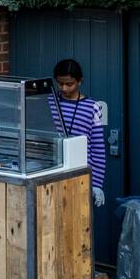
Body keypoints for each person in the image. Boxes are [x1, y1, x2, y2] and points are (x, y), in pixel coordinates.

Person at [50, 59, 106, 208]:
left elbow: (98, 148)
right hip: (52, 170)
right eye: (60, 83)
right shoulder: (49, 102)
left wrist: (97, 184)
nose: (64, 88)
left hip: (81, 174)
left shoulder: (93, 107)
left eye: (69, 84)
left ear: (80, 81)